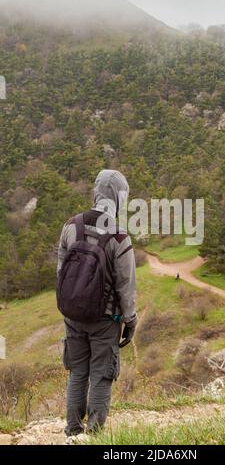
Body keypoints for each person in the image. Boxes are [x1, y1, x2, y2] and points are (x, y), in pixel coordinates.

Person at [57, 170, 137, 437]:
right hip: (105, 321)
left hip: (73, 315)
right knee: (101, 375)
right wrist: (131, 320)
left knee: (77, 372)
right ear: (119, 198)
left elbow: (61, 272)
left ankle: (72, 432)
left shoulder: (71, 225)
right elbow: (126, 286)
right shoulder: (119, 237)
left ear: (96, 192)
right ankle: (94, 436)